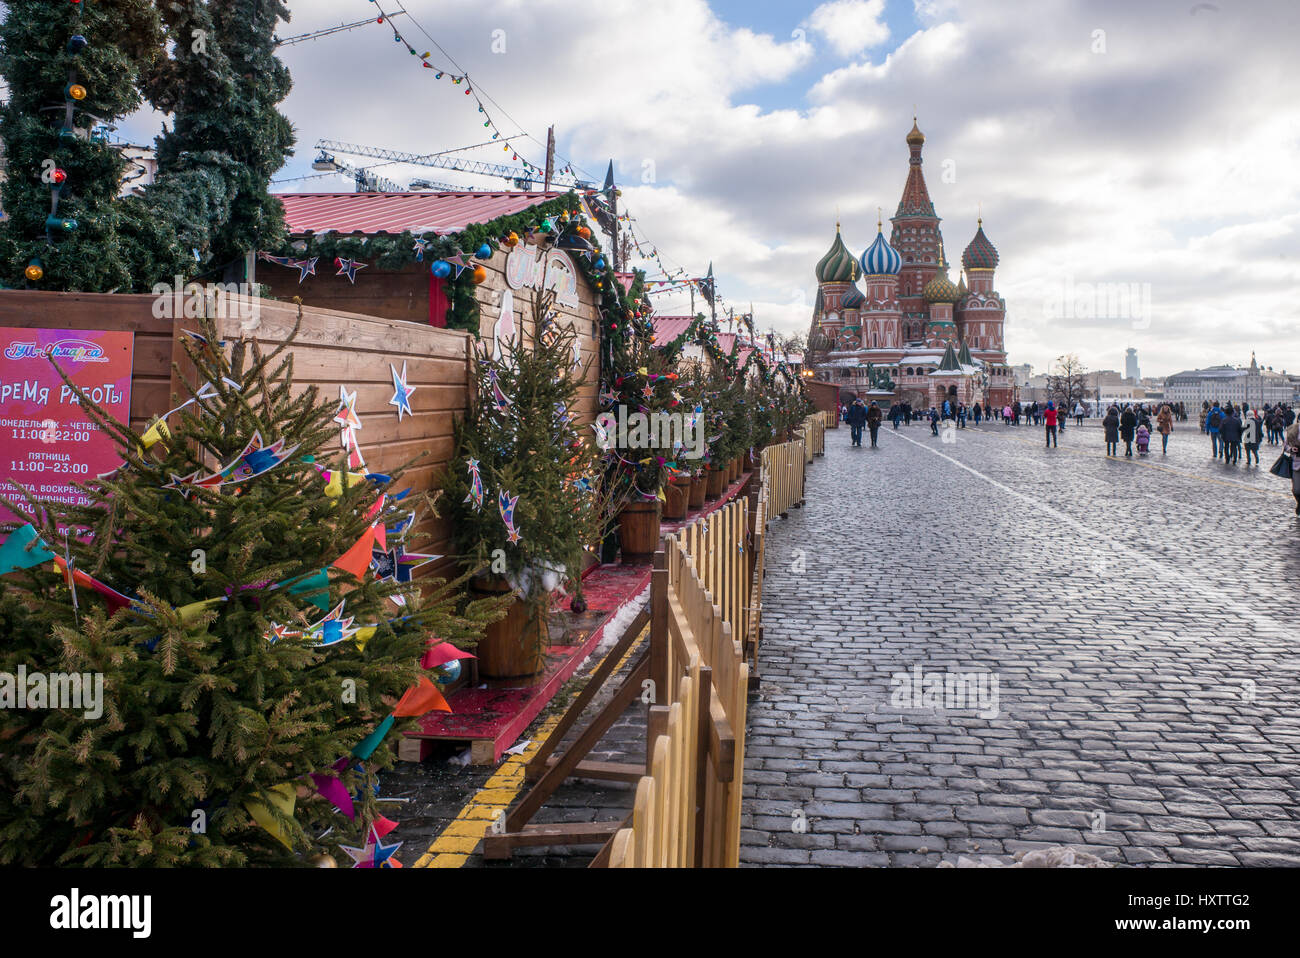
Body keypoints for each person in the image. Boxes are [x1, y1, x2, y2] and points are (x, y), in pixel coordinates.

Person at [1285, 421, 1300, 516]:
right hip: (1296, 463)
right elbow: (1286, 445)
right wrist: (1291, 449)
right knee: (1296, 490)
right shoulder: (1293, 430)